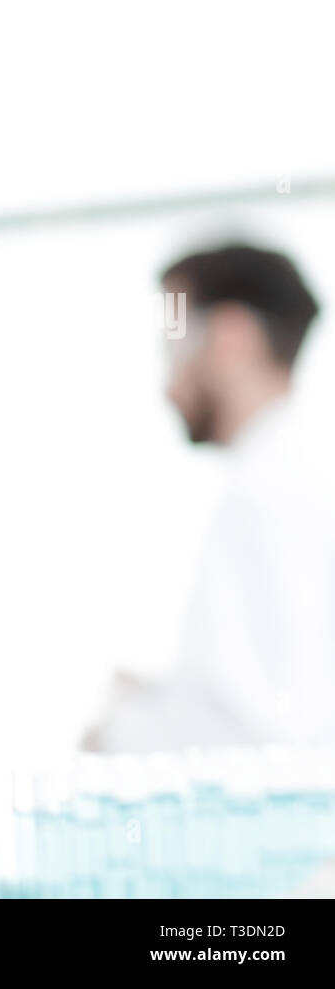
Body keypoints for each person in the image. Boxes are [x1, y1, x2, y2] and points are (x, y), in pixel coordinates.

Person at [86, 243, 335, 752]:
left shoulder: (270, 495)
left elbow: (259, 731)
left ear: (230, 338)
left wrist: (120, 730)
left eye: (171, 344)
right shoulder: (293, 476)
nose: (166, 383)